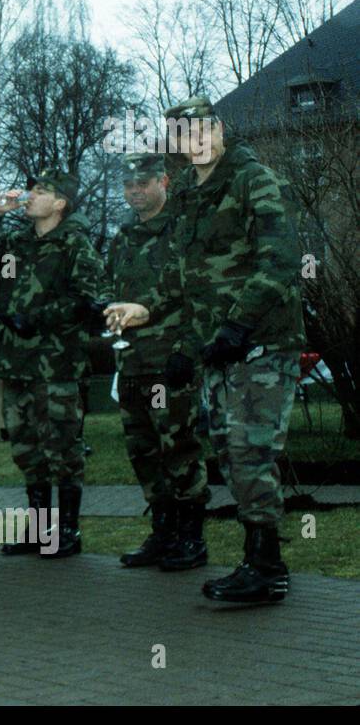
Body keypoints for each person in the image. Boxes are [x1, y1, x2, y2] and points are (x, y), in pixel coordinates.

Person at [107, 96, 304, 603]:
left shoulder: (252, 178)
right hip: (218, 349)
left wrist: (238, 326)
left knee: (250, 453)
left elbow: (281, 260)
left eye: (198, 130)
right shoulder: (195, 193)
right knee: (231, 455)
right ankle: (258, 562)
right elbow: (187, 281)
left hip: (260, 344)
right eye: (180, 135)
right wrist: (151, 314)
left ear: (217, 128)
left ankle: (266, 568)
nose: (191, 141)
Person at [0, 170, 104, 558]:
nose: (31, 196)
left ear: (60, 203)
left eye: (41, 191)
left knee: (62, 449)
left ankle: (67, 531)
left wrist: (37, 317)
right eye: (31, 189)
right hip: (16, 364)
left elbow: (88, 300)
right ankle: (38, 530)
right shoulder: (16, 244)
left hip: (56, 365)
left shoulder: (74, 245)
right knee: (27, 451)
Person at [106, 153, 209, 570]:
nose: (135, 191)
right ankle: (163, 533)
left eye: (144, 183)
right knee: (143, 451)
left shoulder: (184, 230)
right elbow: (108, 287)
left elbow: (199, 295)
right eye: (129, 185)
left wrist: (188, 350)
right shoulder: (123, 237)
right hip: (131, 363)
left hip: (169, 363)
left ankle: (191, 539)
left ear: (163, 182)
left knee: (177, 448)